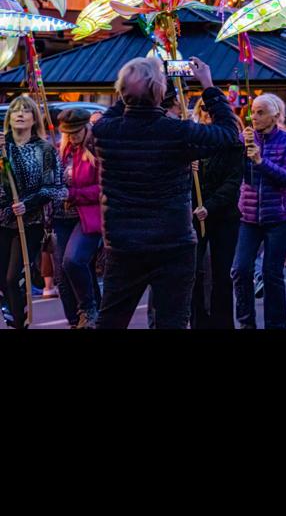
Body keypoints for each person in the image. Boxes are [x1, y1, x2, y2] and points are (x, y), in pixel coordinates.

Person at [90, 56, 239, 328]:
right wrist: (208, 86)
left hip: (123, 243)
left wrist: (134, 87)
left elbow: (116, 108)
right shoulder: (176, 132)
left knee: (111, 319)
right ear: (160, 92)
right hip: (173, 242)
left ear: (121, 92)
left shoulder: (104, 131)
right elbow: (229, 134)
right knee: (172, 321)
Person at [231, 93, 286, 329]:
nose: (254, 116)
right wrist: (242, 151)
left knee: (272, 273)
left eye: (261, 112)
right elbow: (240, 176)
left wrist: (261, 161)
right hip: (248, 215)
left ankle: (276, 324)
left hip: (280, 216)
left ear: (276, 116)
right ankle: (246, 323)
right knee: (240, 269)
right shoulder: (246, 138)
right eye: (253, 111)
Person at [0, 94, 64, 328]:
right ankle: (11, 310)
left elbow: (55, 188)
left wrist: (28, 203)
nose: (19, 114)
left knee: (13, 276)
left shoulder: (44, 149)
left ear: (33, 118)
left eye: (25, 110)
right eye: (15, 110)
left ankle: (20, 323)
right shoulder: (2, 146)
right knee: (1, 278)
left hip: (30, 222)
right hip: (3, 220)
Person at [190, 98, 245, 329]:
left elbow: (233, 182)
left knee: (222, 275)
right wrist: (187, 168)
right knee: (194, 273)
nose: (207, 113)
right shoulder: (192, 142)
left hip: (223, 215)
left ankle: (222, 323)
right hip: (194, 215)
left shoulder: (233, 143)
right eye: (203, 108)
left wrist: (209, 206)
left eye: (211, 109)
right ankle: (198, 322)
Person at [51, 108, 103, 327]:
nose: (72, 136)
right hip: (61, 217)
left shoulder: (96, 149)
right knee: (62, 276)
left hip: (87, 217)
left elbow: (103, 187)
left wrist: (73, 194)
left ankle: (89, 309)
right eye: (68, 132)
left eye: (76, 131)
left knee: (73, 261)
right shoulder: (59, 152)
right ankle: (76, 321)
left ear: (85, 128)